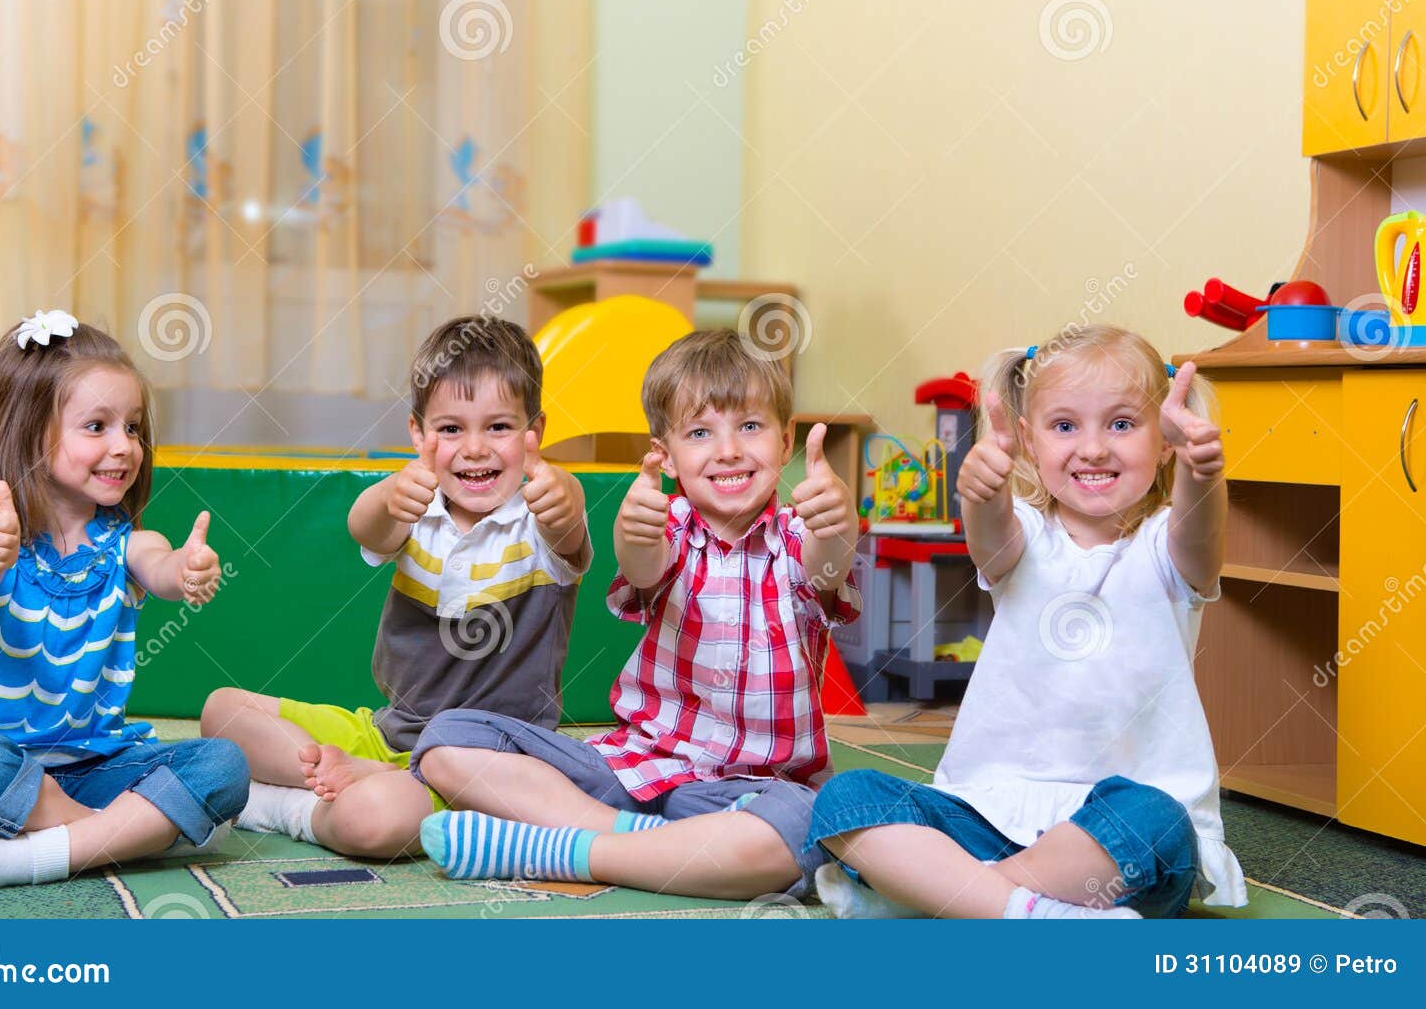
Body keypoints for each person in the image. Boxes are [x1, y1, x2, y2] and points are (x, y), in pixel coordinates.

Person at [809, 324, 1247, 919]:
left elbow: (1201, 532)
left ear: (1164, 440)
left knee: (1159, 821)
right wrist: (979, 489)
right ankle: (1025, 913)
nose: (1092, 449)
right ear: (1028, 441)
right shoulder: (1023, 535)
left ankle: (941, 903)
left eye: (1122, 424)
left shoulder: (1165, 547)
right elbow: (991, 534)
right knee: (845, 798)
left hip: (1110, 837)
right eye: (1064, 426)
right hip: (985, 814)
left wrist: (1203, 473)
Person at [413, 328, 861, 900]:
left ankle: (566, 849)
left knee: (805, 830)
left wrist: (838, 525)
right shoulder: (667, 526)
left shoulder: (799, 537)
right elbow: (645, 567)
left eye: (750, 427)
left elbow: (829, 565)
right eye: (700, 433)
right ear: (665, 455)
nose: (728, 450)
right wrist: (633, 533)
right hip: (635, 771)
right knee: (449, 739)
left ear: (786, 439)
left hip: (753, 791)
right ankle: (646, 843)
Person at [201, 316, 589, 859]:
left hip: (482, 767)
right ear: (418, 435)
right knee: (223, 710)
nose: (474, 448)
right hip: (390, 729)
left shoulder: (540, 520)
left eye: (498, 428)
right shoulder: (416, 506)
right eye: (451, 429)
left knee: (375, 819)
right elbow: (366, 526)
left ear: (535, 434)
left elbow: (569, 527)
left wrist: (564, 494)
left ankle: (281, 805)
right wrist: (389, 499)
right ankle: (363, 770)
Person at [0, 309, 246, 894]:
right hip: (0, 769)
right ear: (27, 432)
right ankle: (126, 834)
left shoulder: (130, 545)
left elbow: (162, 568)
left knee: (224, 765)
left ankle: (39, 854)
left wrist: (187, 570)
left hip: (97, 770)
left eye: (133, 428)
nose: (125, 446)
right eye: (97, 426)